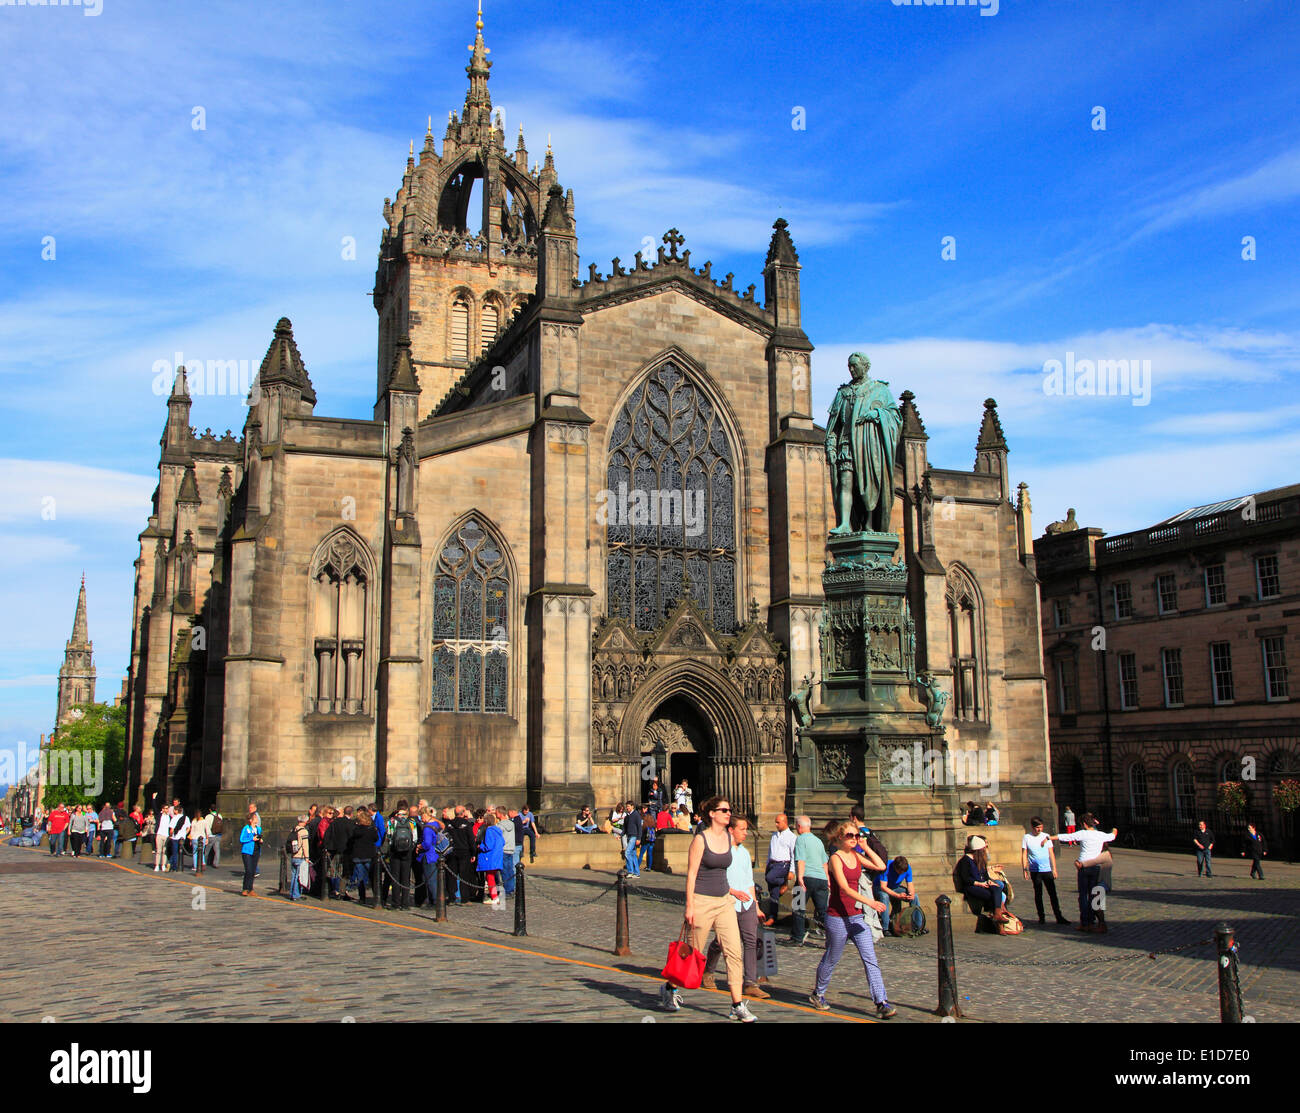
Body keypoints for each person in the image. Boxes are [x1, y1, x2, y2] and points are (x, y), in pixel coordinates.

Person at [658, 797, 756, 1022]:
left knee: (733, 952)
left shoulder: (730, 838)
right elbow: (691, 874)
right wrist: (689, 906)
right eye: (723, 810)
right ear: (712, 814)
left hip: (723, 902)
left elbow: (728, 866)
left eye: (729, 810)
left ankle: (737, 1004)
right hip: (701, 901)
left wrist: (734, 892)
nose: (728, 813)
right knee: (692, 953)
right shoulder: (701, 840)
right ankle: (670, 988)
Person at [809, 821, 896, 1018]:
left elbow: (881, 866)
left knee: (870, 958)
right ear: (840, 837)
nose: (854, 839)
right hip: (837, 917)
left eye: (856, 836)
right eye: (850, 836)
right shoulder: (835, 859)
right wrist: (870, 902)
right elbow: (845, 888)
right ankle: (818, 993)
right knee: (832, 957)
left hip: (857, 917)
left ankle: (881, 1002)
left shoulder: (856, 855)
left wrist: (865, 847)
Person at [701, 814, 769, 1000]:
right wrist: (733, 892)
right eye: (742, 829)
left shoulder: (745, 853)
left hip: (746, 903)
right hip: (727, 902)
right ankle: (708, 971)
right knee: (721, 942)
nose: (746, 833)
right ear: (731, 830)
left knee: (750, 941)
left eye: (746, 829)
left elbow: (749, 882)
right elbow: (717, 879)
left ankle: (750, 983)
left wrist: (756, 906)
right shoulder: (721, 853)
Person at [1055, 813, 1117, 932]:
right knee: (1091, 896)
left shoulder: (1103, 854)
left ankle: (1093, 923)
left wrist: (1081, 864)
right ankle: (1093, 922)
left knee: (1088, 896)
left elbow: (1092, 860)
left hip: (1099, 880)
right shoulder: (1100, 839)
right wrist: (1113, 830)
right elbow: (1110, 836)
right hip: (1098, 877)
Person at [1021, 817, 1069, 925]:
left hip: (1046, 869)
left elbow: (1051, 853)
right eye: (1037, 827)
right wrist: (1024, 868)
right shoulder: (1027, 837)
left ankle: (1058, 916)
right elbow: (1024, 853)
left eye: (1041, 827)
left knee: (1053, 894)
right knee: (1038, 894)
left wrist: (1054, 868)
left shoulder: (1046, 837)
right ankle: (1041, 916)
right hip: (1035, 870)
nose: (1040, 829)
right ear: (1033, 827)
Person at [790, 814, 829, 945]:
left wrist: (800, 877)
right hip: (821, 879)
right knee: (823, 911)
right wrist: (827, 879)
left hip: (806, 877)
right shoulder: (819, 841)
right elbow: (825, 862)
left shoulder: (800, 839)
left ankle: (797, 937)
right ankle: (832, 938)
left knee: (798, 907)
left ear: (799, 827)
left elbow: (801, 859)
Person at [955, 835, 1010, 920]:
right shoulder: (965, 860)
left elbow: (985, 875)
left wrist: (989, 881)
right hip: (972, 886)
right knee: (991, 896)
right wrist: (980, 884)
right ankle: (998, 918)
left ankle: (997, 914)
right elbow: (966, 878)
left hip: (983, 884)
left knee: (997, 888)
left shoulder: (981, 860)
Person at [763, 813, 797, 927]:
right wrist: (767, 865)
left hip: (783, 865)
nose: (776, 825)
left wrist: (792, 870)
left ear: (785, 822)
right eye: (775, 822)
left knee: (770, 878)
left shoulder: (792, 837)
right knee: (774, 893)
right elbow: (770, 851)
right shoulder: (774, 835)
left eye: (778, 822)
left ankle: (783, 882)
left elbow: (793, 854)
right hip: (773, 864)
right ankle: (773, 916)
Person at [385, 802, 419, 910]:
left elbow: (389, 837)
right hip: (407, 852)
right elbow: (414, 838)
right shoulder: (412, 822)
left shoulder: (391, 821)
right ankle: (405, 903)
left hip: (395, 852)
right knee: (406, 878)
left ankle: (395, 902)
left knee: (395, 877)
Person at [879, 855, 921, 934]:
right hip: (880, 888)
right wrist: (897, 895)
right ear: (895, 868)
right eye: (900, 872)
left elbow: (910, 884)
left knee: (915, 897)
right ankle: (885, 927)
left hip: (895, 887)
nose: (901, 874)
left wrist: (911, 894)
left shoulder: (907, 868)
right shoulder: (886, 866)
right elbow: (883, 887)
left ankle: (917, 926)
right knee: (884, 896)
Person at [346, 807, 379, 906]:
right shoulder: (371, 830)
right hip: (369, 855)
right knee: (373, 877)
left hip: (358, 856)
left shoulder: (356, 830)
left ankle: (362, 898)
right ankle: (376, 896)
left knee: (361, 878)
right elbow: (376, 839)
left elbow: (351, 840)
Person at [417, 806, 443, 906]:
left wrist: (420, 846)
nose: (421, 818)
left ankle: (435, 901)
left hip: (429, 856)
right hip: (436, 854)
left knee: (430, 879)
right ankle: (433, 899)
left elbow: (427, 844)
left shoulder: (427, 828)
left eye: (421, 816)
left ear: (424, 815)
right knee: (432, 878)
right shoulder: (435, 824)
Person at [477, 812, 505, 904]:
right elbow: (503, 842)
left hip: (490, 857)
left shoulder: (489, 830)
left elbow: (488, 845)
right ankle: (495, 896)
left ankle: (494, 897)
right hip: (497, 857)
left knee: (490, 878)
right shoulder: (498, 830)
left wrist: (480, 846)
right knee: (493, 877)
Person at [239, 811, 263, 896]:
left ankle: (251, 888)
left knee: (253, 871)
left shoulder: (259, 829)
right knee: (248, 870)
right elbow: (241, 839)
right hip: (247, 851)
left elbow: (259, 837)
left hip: (256, 851)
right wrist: (251, 839)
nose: (257, 819)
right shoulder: (246, 828)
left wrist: (260, 840)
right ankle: (245, 888)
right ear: (251, 820)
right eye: (255, 818)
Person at [287, 815, 310, 901]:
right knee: (299, 876)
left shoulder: (294, 829)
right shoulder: (304, 831)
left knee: (294, 875)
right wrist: (307, 857)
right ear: (305, 822)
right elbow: (305, 845)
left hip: (293, 855)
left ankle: (292, 894)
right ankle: (296, 894)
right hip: (300, 856)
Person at [622, 800, 644, 878]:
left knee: (627, 852)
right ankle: (637, 873)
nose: (627, 808)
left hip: (634, 836)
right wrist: (621, 835)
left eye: (628, 806)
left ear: (632, 807)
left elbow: (639, 827)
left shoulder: (636, 815)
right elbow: (625, 828)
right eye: (626, 806)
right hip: (629, 836)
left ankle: (630, 871)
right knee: (633, 854)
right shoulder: (627, 816)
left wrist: (639, 838)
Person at [169, 807, 190, 873]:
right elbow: (188, 828)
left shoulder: (174, 818)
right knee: (180, 851)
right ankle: (179, 865)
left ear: (176, 811)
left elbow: (171, 830)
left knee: (174, 852)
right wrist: (184, 834)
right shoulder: (186, 818)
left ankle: (174, 866)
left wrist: (170, 835)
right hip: (182, 837)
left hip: (175, 837)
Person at [153, 805, 174, 871]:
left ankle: (163, 865)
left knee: (164, 851)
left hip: (166, 835)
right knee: (158, 851)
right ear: (162, 809)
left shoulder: (170, 817)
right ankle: (157, 865)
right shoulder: (159, 815)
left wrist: (171, 835)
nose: (166, 810)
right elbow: (155, 808)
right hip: (159, 834)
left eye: (167, 808)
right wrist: (154, 799)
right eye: (165, 808)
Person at [189, 809, 210, 874]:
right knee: (201, 851)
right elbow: (208, 831)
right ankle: (203, 863)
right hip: (202, 838)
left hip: (195, 838)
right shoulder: (204, 821)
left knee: (195, 853)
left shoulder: (194, 821)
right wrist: (207, 838)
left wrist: (190, 839)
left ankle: (195, 866)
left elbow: (192, 831)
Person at [639, 803, 657, 871]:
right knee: (650, 853)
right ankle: (649, 867)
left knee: (641, 853)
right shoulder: (652, 822)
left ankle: (637, 866)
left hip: (645, 840)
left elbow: (642, 831)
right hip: (652, 840)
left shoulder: (644, 823)